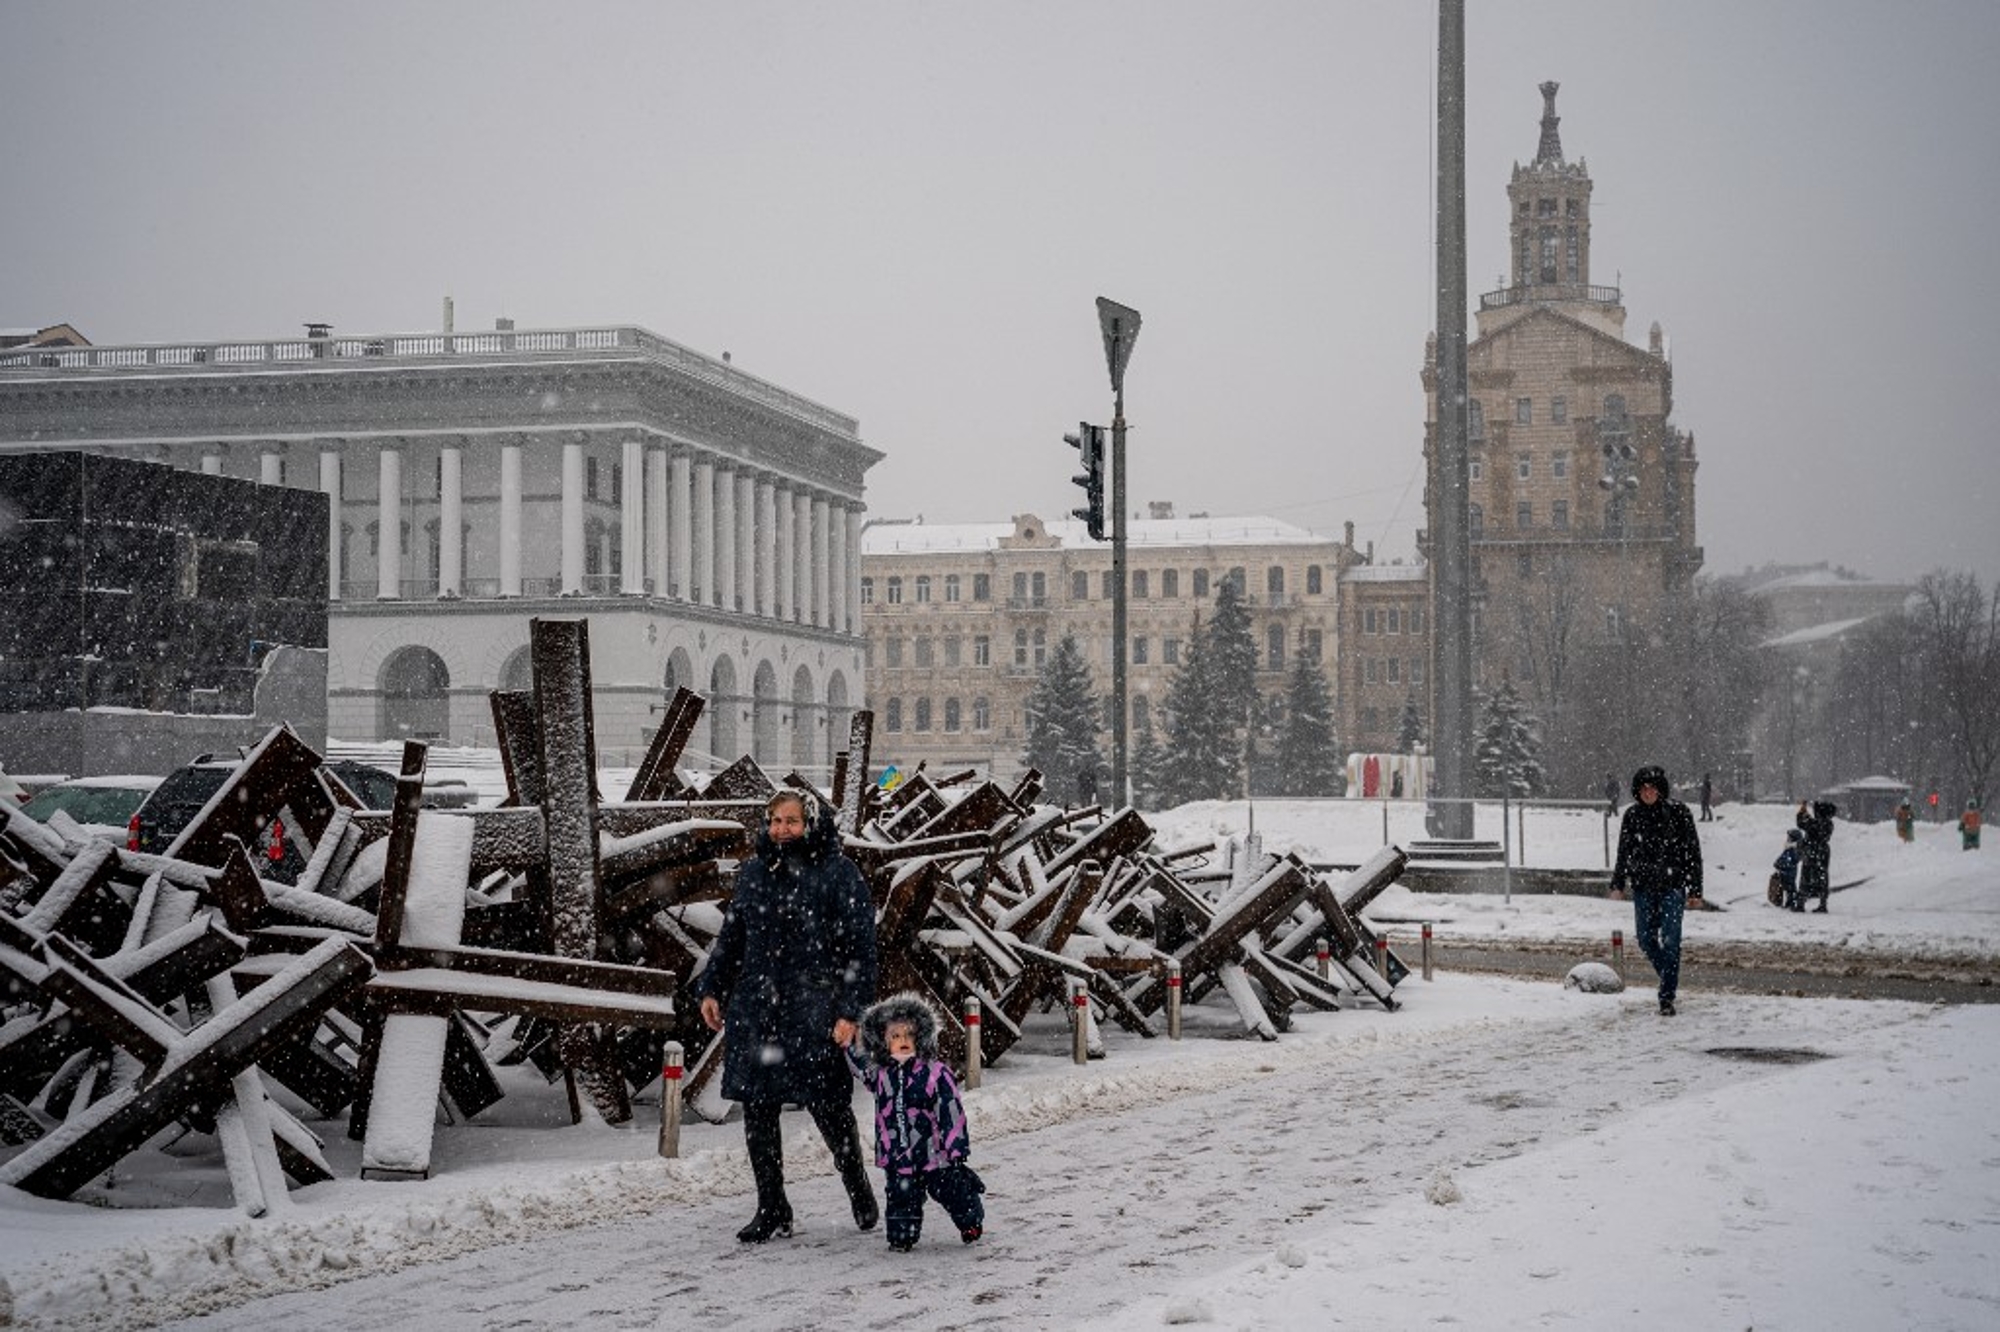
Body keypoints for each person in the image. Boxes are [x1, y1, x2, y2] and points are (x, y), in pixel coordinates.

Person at [695, 790, 880, 1244]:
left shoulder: (838, 874)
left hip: (812, 1010)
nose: (781, 829)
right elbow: (733, 935)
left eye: (791, 821)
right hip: (758, 1009)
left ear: (810, 824)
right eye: (775, 821)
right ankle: (772, 1206)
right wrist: (712, 987)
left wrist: (850, 1011)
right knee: (758, 1110)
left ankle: (856, 1184)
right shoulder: (756, 873)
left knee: (830, 1108)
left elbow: (862, 950)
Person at [846, 992, 987, 1252]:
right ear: (883, 1041)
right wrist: (849, 1046)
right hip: (898, 1154)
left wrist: (955, 1146)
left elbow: (950, 1110)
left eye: (908, 1035)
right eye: (895, 1036)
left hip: (935, 1153)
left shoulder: (934, 1073)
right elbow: (860, 1067)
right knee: (901, 1197)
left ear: (920, 1037)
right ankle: (902, 1236)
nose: (903, 1041)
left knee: (953, 1191)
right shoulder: (881, 1075)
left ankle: (971, 1221)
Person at [1608, 766, 1703, 1016]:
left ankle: (1666, 997)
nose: (1648, 792)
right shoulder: (1632, 816)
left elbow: (1692, 852)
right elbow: (1624, 852)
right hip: (1643, 888)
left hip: (1673, 887)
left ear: (1660, 790)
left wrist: (1695, 889)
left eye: (1652, 788)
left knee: (1671, 941)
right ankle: (1668, 977)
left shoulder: (1679, 813)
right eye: (1643, 788)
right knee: (1645, 939)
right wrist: (1618, 883)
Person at [1796, 798, 1837, 914]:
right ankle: (1823, 903)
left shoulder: (1815, 823)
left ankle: (1801, 903)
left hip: (1812, 851)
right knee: (1822, 877)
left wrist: (1802, 810)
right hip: (1823, 851)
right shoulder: (1829, 824)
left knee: (1806, 875)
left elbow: (1801, 823)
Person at [1771, 828, 1805, 911]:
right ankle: (1790, 901)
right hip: (1785, 871)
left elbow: (1789, 860)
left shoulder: (1793, 849)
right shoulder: (1789, 848)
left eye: (1789, 837)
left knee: (1791, 888)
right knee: (1787, 887)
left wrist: (1780, 864)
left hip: (1789, 872)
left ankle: (1793, 902)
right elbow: (1783, 857)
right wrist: (1778, 862)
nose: (1787, 838)